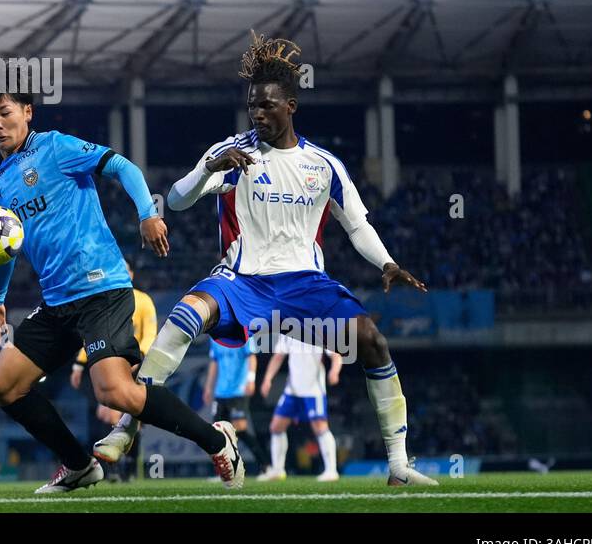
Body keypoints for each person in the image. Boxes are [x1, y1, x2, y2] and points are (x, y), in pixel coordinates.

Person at [93, 31, 438, 486]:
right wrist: (209, 169)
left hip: (305, 284)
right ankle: (126, 426)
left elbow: (356, 225)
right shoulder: (233, 153)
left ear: (290, 105)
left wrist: (387, 263)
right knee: (183, 317)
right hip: (241, 280)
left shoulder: (325, 165)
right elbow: (175, 201)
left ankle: (399, 465)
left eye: (267, 105)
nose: (258, 113)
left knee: (371, 340)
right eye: (252, 104)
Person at [0, 91, 243, 493]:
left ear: (27, 112)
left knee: (113, 391)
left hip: (102, 289)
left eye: (4, 112)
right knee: (2, 385)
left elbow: (121, 165)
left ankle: (218, 440)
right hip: (57, 303)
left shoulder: (56, 146)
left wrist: (148, 213)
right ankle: (78, 465)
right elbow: (5, 248)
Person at [70, 257, 157, 481]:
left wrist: (138, 360)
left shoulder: (143, 301)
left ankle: (126, 470)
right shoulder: (105, 302)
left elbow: (150, 334)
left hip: (135, 366)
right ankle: (112, 470)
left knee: (130, 417)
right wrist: (79, 365)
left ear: (131, 275)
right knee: (106, 415)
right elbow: (93, 336)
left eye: (126, 269)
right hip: (108, 364)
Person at [256, 331, 342, 481]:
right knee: (276, 426)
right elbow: (278, 356)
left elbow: (336, 355)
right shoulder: (289, 331)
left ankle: (331, 470)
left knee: (320, 428)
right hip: (293, 390)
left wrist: (334, 371)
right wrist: (268, 379)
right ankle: (278, 470)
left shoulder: (319, 329)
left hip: (313, 390)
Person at [203, 335, 261, 475]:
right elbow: (214, 362)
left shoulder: (243, 333)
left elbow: (251, 357)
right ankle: (225, 472)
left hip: (238, 390)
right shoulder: (214, 336)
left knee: (240, 429)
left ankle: (265, 465)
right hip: (220, 392)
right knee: (218, 432)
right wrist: (209, 387)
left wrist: (251, 379)